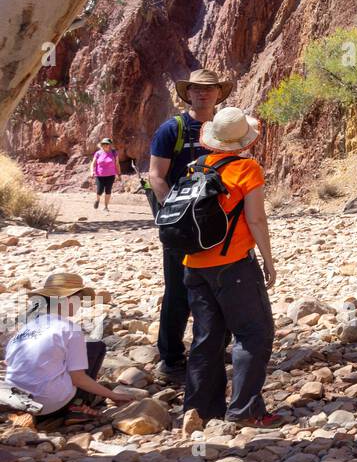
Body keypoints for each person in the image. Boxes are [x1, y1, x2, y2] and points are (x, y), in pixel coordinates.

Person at [182, 107, 282, 428]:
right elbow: (256, 218)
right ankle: (245, 410)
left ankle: (199, 411)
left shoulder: (195, 166)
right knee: (254, 333)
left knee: (206, 338)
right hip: (233, 265)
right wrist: (268, 260)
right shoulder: (246, 169)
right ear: (243, 140)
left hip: (194, 265)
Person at [147, 68, 229, 383]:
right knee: (178, 291)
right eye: (197, 89)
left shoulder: (225, 129)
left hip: (215, 221)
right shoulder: (172, 130)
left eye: (209, 89)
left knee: (219, 286)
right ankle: (170, 359)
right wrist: (175, 211)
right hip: (181, 225)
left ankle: (215, 349)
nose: (203, 94)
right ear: (188, 93)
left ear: (218, 94)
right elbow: (156, 174)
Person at [2, 274, 142, 423]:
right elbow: (78, 378)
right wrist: (113, 395)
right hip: (49, 406)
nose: (80, 304)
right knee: (96, 347)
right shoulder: (70, 329)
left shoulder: (26, 328)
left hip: (15, 400)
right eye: (79, 299)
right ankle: (77, 405)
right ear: (68, 299)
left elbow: (9, 362)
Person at [91, 137, 119, 210]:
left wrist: (119, 173)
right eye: (103, 144)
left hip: (111, 175)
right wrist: (92, 171)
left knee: (108, 190)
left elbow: (117, 164)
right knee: (99, 190)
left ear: (110, 145)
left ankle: (106, 207)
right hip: (99, 175)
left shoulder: (114, 153)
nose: (105, 145)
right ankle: (97, 200)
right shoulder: (98, 153)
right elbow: (93, 163)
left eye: (107, 144)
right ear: (101, 145)